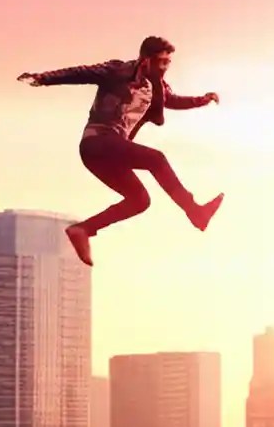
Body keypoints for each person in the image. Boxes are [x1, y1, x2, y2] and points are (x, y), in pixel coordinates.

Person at [17, 36, 224, 266]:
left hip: (110, 155)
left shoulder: (158, 87)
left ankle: (82, 230)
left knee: (140, 200)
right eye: (160, 62)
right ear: (145, 60)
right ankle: (195, 212)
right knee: (157, 159)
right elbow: (81, 72)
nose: (164, 68)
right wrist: (43, 78)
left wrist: (202, 100)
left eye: (168, 63)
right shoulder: (118, 70)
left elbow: (172, 101)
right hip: (98, 141)